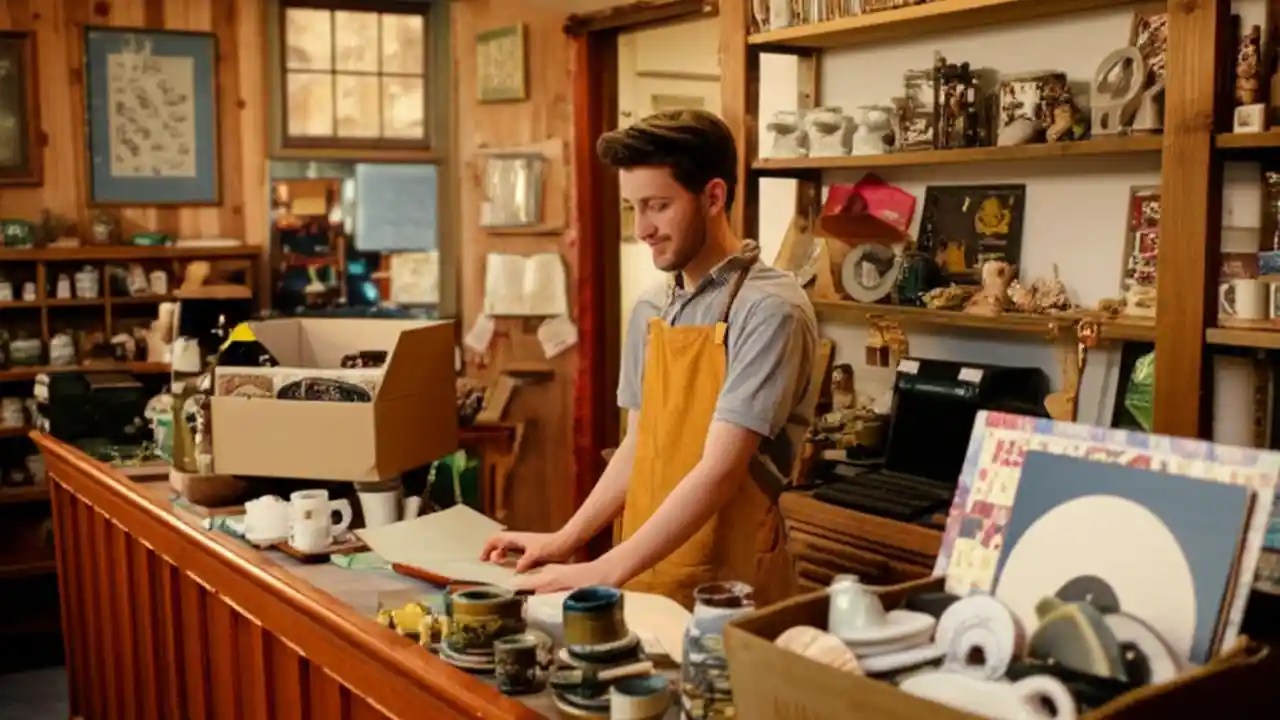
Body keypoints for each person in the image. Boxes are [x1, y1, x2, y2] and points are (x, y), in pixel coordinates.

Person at [479, 109, 819, 608]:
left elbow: (719, 471)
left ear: (714, 197)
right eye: (632, 208)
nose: (642, 229)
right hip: (643, 573)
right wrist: (566, 540)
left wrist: (602, 569)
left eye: (658, 205)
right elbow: (637, 447)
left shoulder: (770, 310)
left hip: (730, 588)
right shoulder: (652, 307)